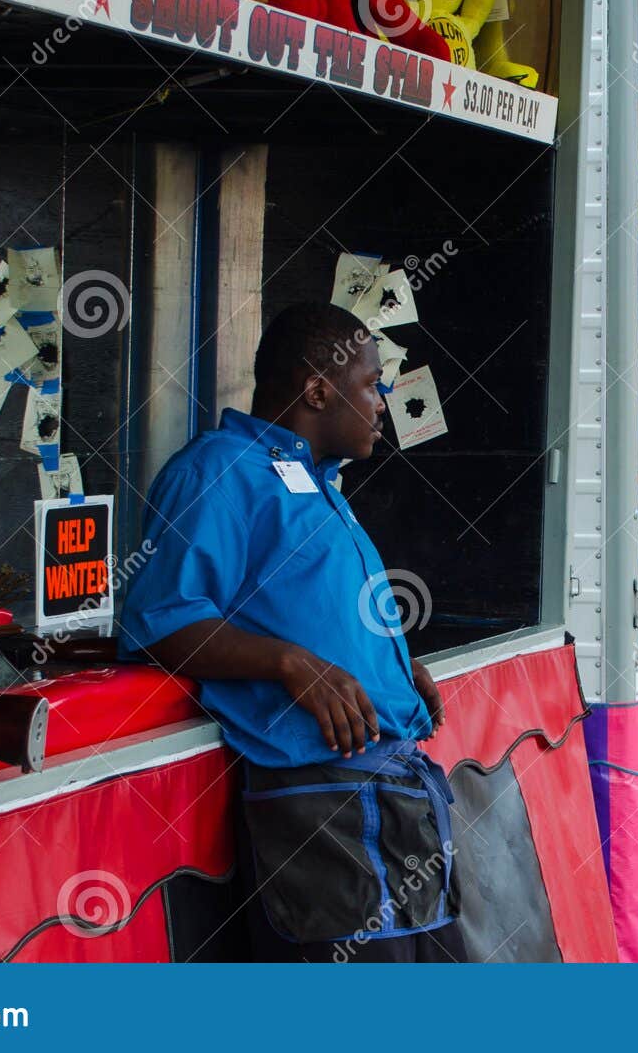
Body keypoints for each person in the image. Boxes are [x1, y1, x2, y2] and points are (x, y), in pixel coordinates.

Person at [119, 301, 462, 963]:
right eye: (371, 385)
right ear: (317, 389)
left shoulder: (317, 479)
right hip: (322, 810)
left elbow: (308, 603)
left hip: (393, 795)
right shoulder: (217, 471)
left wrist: (394, 668)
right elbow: (162, 621)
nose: (383, 403)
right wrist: (288, 663)